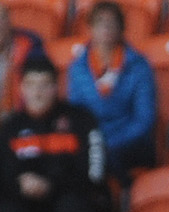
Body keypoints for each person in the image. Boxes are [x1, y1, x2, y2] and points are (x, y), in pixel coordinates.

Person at [0, 56, 113, 212]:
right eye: (31, 85)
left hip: (70, 200)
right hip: (26, 203)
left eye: (44, 85)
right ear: (21, 88)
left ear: (57, 87)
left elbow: (94, 173)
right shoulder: (10, 127)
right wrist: (20, 182)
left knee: (72, 208)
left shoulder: (81, 120)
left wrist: (52, 185)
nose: (37, 93)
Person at [65, 2, 158, 179]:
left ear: (121, 27)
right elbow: (76, 115)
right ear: (91, 28)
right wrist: (93, 143)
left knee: (100, 160)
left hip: (130, 145)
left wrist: (108, 143)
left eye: (111, 22)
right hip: (91, 142)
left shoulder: (139, 66)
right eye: (100, 22)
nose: (106, 27)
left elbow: (144, 119)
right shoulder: (78, 67)